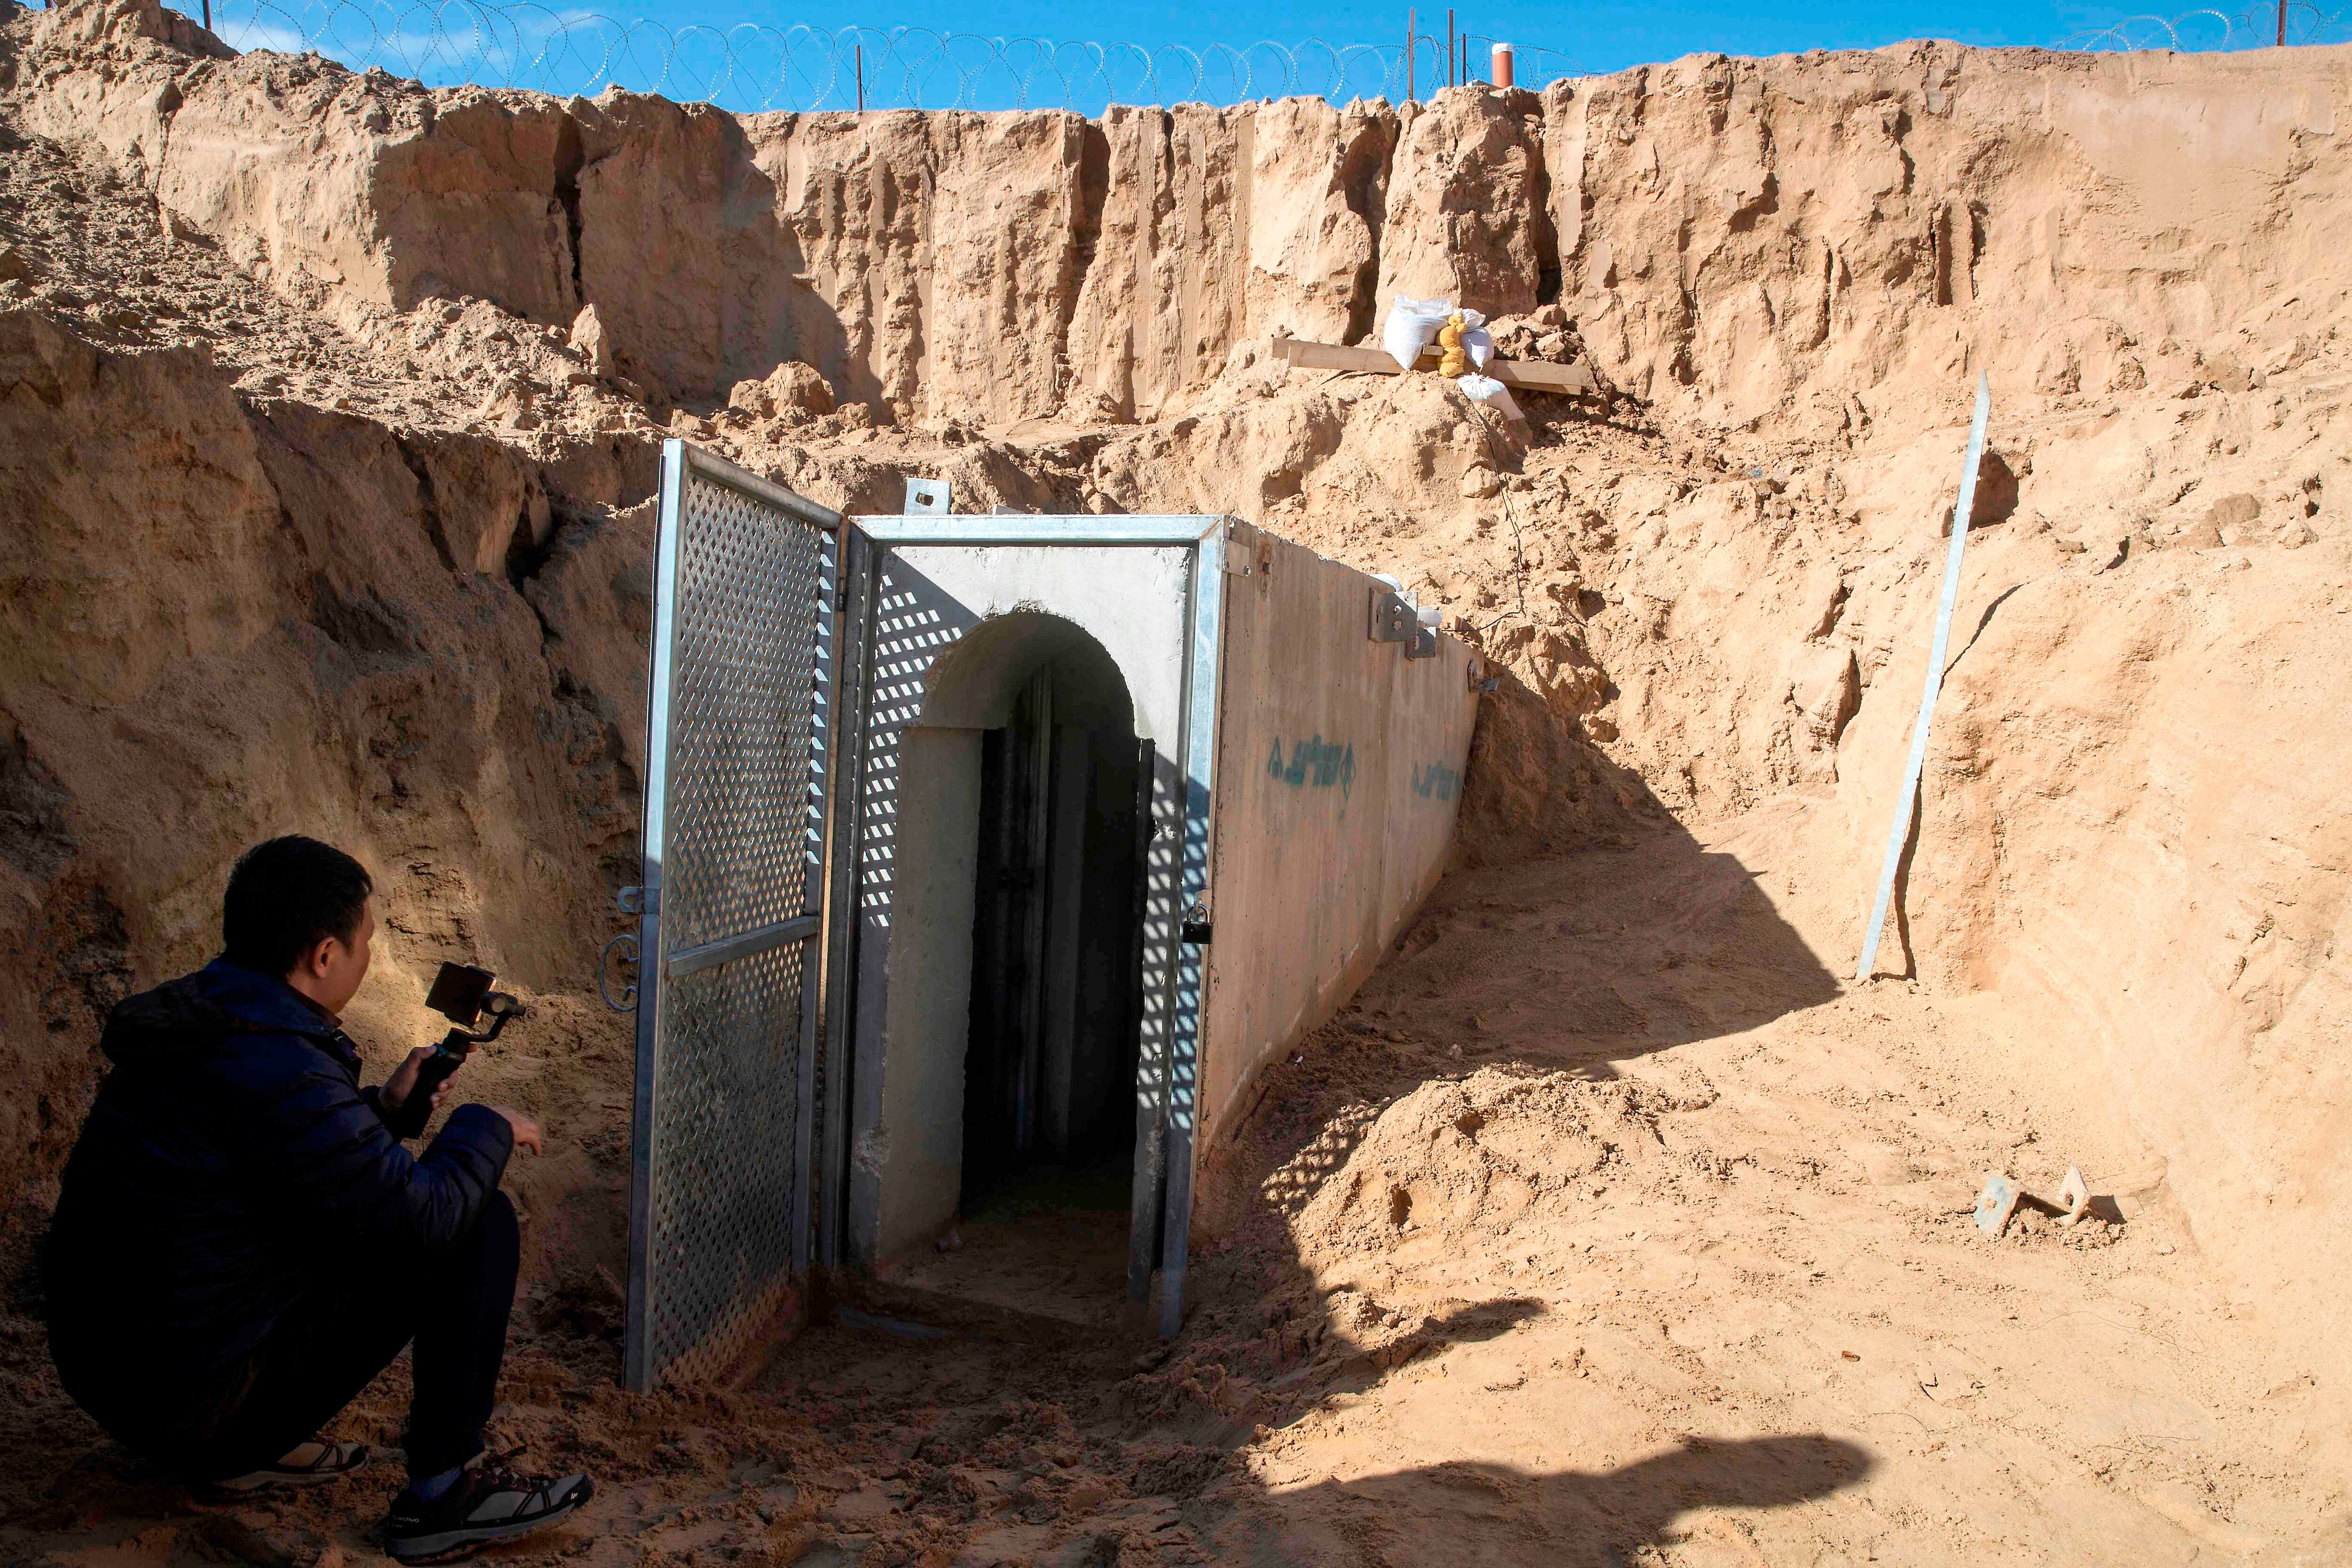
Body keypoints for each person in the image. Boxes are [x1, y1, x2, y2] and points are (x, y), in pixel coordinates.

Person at [45, 836, 595, 1562]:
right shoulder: (283, 1062)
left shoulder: (207, 1021)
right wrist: (481, 1127)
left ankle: (244, 1453)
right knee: (477, 1218)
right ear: (324, 955)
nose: (371, 957)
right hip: (197, 1404)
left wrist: (386, 1110)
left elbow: (271, 1159)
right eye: (366, 941)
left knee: (376, 1208)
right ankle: (443, 1492)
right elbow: (422, 1221)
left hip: (119, 1379)